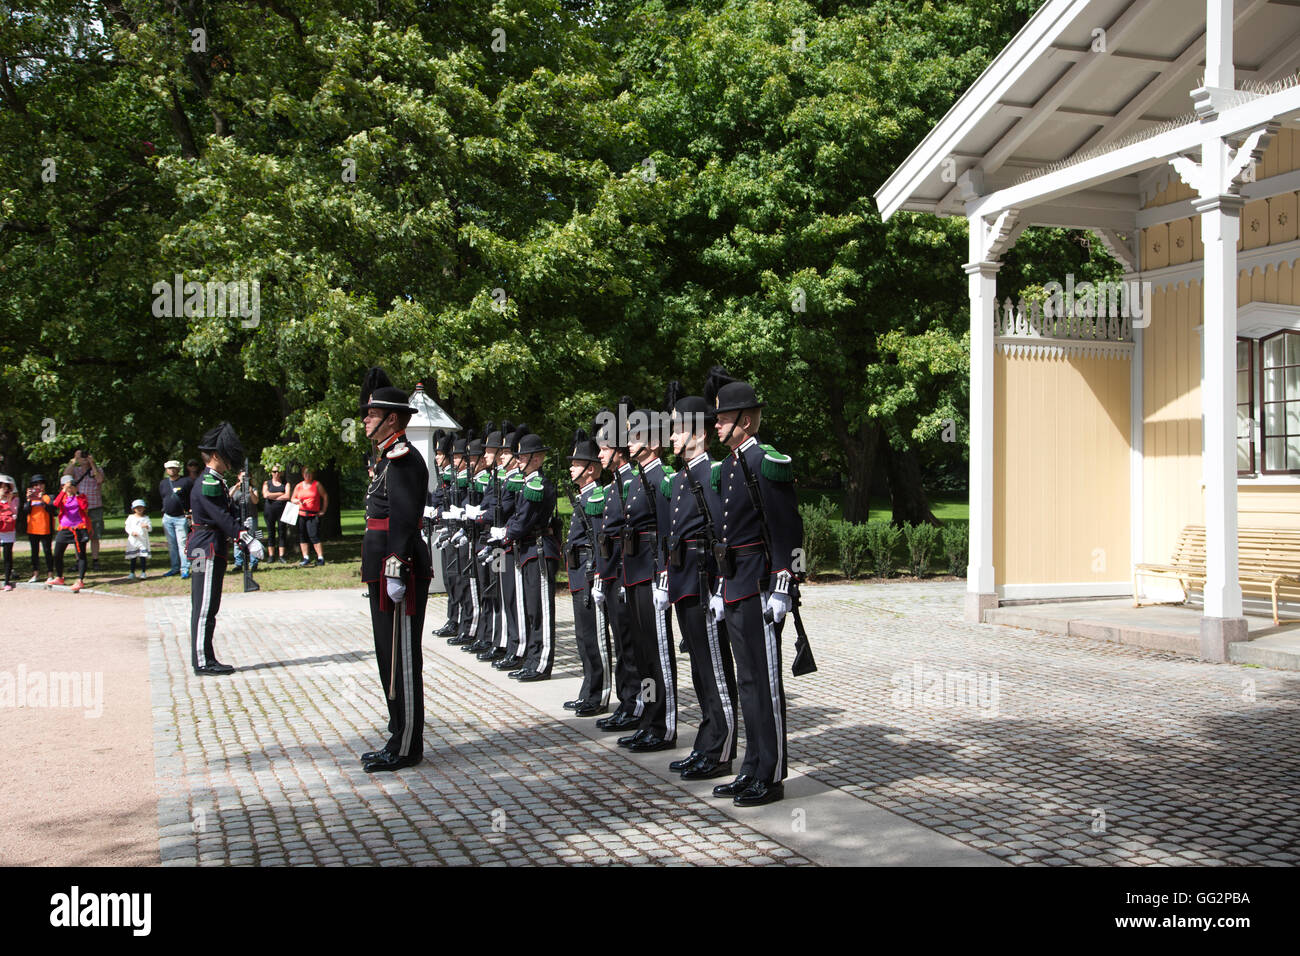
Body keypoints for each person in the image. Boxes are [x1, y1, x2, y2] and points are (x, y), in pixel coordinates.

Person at [705, 367, 803, 807]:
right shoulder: (727, 466)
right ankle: (751, 766)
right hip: (736, 585)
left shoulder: (768, 462)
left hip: (763, 587)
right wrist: (721, 587)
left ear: (745, 420)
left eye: (724, 418)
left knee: (766, 683)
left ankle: (773, 772)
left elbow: (788, 530)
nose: (717, 424)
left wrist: (784, 584)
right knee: (746, 682)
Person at [358, 370, 432, 772]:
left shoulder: (402, 459)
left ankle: (407, 745)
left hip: (398, 572)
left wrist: (396, 569)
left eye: (372, 413)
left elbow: (404, 520)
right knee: (388, 657)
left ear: (391, 418)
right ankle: (397, 732)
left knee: (402, 658)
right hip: (383, 569)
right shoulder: (386, 458)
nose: (365, 419)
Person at [664, 383, 738, 780]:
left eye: (677, 428)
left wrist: (722, 588)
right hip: (683, 582)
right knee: (698, 668)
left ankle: (722, 749)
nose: (672, 436)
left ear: (699, 433)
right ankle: (705, 741)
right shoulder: (680, 479)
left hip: (704, 581)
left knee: (715, 669)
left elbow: (723, 533)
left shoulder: (712, 474)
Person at [615, 405, 677, 753]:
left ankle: (664, 724)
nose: (630, 443)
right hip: (634, 574)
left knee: (657, 656)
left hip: (651, 573)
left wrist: (663, 576)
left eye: (636, 436)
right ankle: (650, 719)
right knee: (642, 655)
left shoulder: (659, 479)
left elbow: (668, 530)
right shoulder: (638, 478)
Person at [189, 422, 264, 675]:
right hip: (206, 549)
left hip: (209, 547)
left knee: (209, 606)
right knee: (203, 606)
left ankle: (206, 656)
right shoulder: (209, 482)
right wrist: (246, 538)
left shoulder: (216, 480)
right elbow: (220, 517)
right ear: (215, 456)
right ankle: (201, 660)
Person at [593, 404, 643, 732]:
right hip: (612, 575)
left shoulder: (632, 484)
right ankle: (627, 702)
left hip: (625, 576)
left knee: (631, 646)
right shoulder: (614, 486)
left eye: (605, 449)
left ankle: (635, 703)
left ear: (619, 452)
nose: (599, 455)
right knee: (621, 645)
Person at [494, 431, 559, 681]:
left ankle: (541, 664)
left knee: (540, 610)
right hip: (529, 550)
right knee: (531, 609)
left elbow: (522, 521)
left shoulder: (536, 485)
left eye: (522, 456)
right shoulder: (527, 483)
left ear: (536, 458)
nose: (518, 460)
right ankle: (532, 659)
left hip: (539, 551)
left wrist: (506, 532)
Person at [562, 430, 611, 716]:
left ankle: (599, 694)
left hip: (590, 572)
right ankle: (588, 690)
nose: (571, 467)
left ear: (590, 469)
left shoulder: (596, 498)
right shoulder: (584, 497)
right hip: (578, 572)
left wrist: (597, 576)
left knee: (594, 638)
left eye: (576, 463)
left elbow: (597, 541)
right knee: (582, 637)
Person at [65, 450, 105, 570]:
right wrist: (74, 460)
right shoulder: (75, 471)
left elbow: (99, 480)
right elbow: (65, 476)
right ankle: (79, 561)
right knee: (78, 535)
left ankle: (95, 560)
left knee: (95, 536)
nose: (84, 458)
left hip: (94, 506)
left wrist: (92, 464)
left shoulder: (97, 470)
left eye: (85, 456)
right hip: (79, 508)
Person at [51, 475, 90, 592]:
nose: (70, 488)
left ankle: (80, 580)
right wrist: (64, 491)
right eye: (67, 486)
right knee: (57, 553)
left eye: (72, 486)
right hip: (64, 528)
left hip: (79, 528)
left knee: (81, 554)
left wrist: (76, 493)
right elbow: (55, 504)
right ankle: (59, 577)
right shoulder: (62, 497)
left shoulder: (81, 496)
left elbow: (84, 506)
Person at [158, 459, 193, 577]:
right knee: (171, 544)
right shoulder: (163, 483)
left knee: (182, 543)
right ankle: (174, 567)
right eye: (169, 468)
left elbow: (192, 497)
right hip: (167, 517)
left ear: (178, 469)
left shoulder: (186, 482)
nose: (171, 470)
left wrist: (190, 512)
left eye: (173, 468)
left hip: (181, 517)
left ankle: (185, 568)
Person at [291, 466, 328, 566]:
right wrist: (298, 501)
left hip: (313, 515)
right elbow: (292, 499)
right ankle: (305, 557)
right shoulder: (299, 486)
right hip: (301, 514)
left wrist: (323, 510)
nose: (308, 475)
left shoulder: (317, 485)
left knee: (314, 535)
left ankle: (320, 557)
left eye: (310, 473)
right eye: (306, 473)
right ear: (303, 474)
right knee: (302, 536)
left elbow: (325, 496)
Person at [22, 474, 55, 583]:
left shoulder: (49, 497)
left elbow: (51, 509)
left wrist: (41, 498)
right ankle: (35, 573)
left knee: (47, 551)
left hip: (45, 528)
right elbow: (25, 510)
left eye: (40, 484)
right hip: (32, 528)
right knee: (34, 552)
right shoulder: (30, 498)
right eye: (35, 484)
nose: (38, 486)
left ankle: (50, 574)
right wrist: (28, 499)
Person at [229, 469, 260, 572]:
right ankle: (238, 563)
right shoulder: (234, 488)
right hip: (238, 518)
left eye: (246, 477)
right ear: (238, 477)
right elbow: (227, 499)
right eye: (242, 476)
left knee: (252, 539)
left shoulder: (253, 488)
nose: (244, 479)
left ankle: (254, 563)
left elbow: (256, 501)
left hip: (251, 517)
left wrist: (251, 492)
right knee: (237, 540)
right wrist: (235, 489)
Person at [261, 465, 292, 564]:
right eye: (274, 471)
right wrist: (280, 494)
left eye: (278, 471)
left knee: (282, 532)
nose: (276, 473)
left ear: (281, 472)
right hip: (269, 511)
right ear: (271, 472)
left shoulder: (286, 483)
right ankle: (271, 556)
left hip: (282, 511)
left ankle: (281, 556)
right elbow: (266, 495)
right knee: (271, 532)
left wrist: (272, 496)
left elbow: (287, 496)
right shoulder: (267, 483)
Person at [125, 499, 152, 579]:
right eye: (137, 508)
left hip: (143, 540)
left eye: (141, 507)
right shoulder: (131, 517)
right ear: (134, 509)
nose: (139, 509)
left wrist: (147, 526)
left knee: (142, 556)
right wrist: (132, 532)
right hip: (133, 540)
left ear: (144, 508)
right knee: (133, 557)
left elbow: (150, 528)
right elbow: (127, 527)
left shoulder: (146, 518)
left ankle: (143, 572)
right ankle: (132, 572)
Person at [0, 475, 17, 590]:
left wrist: (9, 501)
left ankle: (7, 581)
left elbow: (15, 515)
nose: (5, 490)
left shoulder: (15, 500)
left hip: (8, 532)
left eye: (8, 487)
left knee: (7, 556)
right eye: (2, 487)